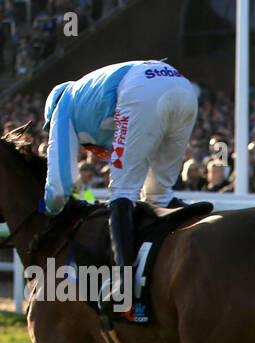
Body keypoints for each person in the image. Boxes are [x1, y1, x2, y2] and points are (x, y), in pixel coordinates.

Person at [42, 60, 200, 316]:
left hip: (141, 88)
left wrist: (49, 209)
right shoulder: (89, 94)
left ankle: (121, 283)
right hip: (183, 87)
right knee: (160, 194)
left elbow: (60, 187)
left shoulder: (63, 107)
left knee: (123, 191)